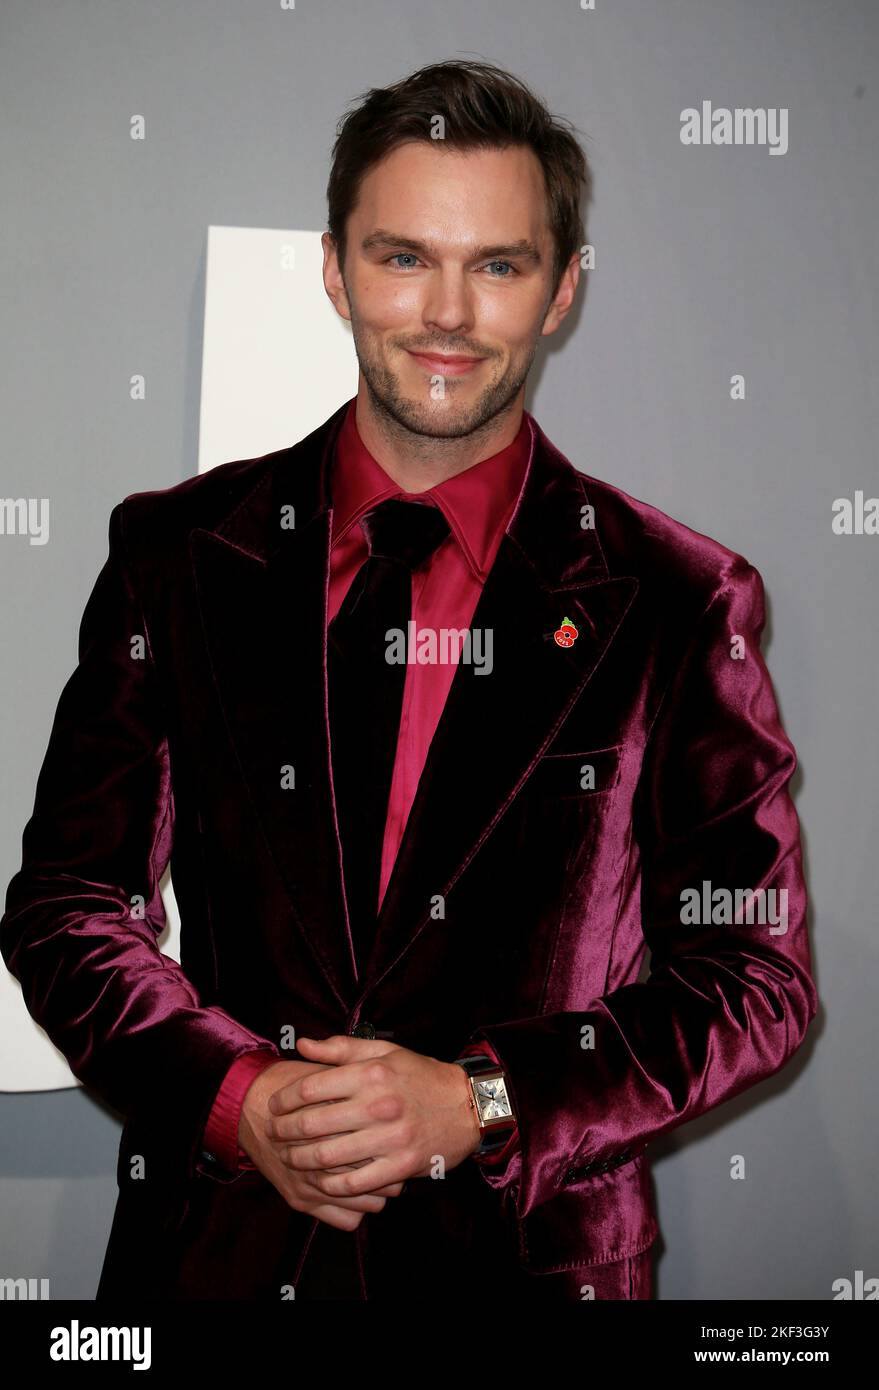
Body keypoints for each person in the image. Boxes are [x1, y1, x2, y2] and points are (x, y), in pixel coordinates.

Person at [0, 59, 817, 1301]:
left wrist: (480, 1102)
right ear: (335, 269)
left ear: (561, 293)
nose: (447, 313)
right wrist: (241, 1096)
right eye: (401, 258)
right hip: (211, 1265)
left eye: (498, 264)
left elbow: (753, 976)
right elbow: (66, 902)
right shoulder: (176, 556)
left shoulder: (678, 598)